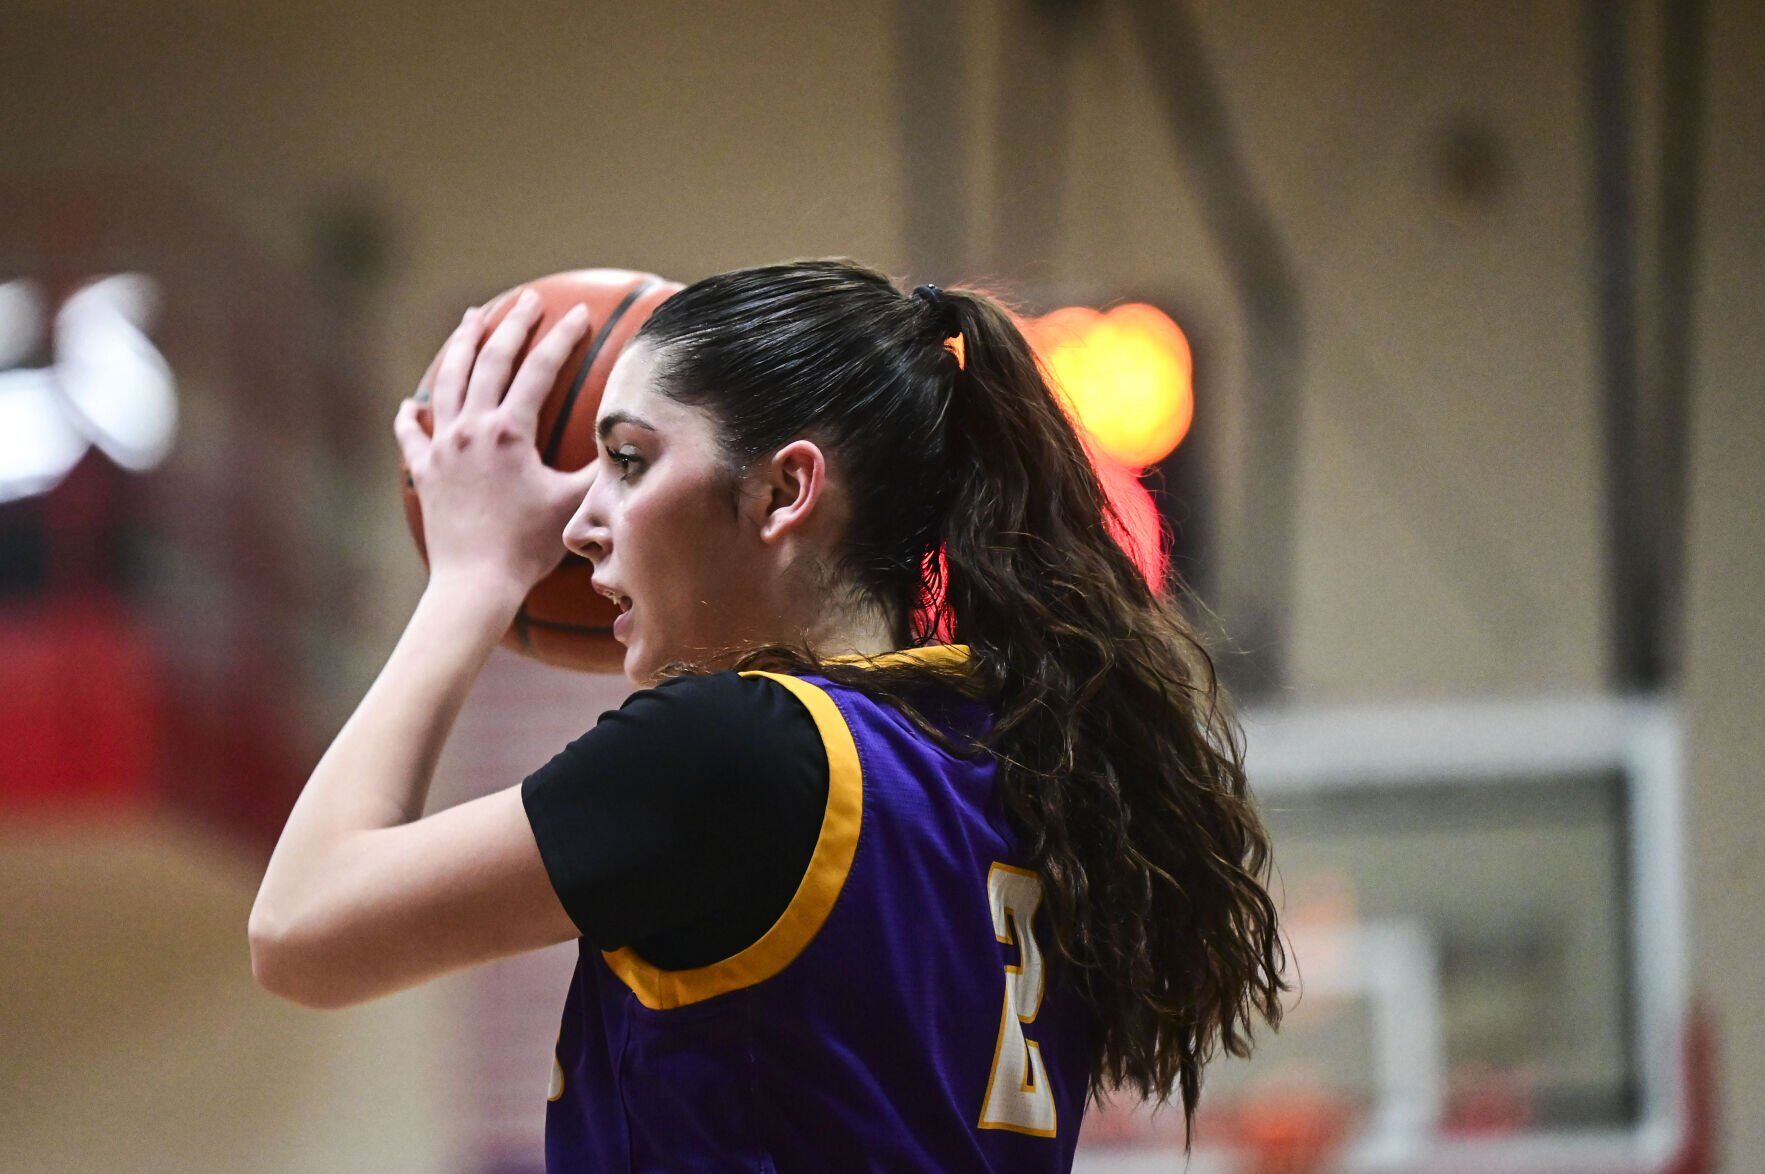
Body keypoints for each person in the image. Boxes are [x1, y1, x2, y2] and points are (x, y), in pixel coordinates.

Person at [249, 258, 1287, 1171]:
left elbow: (300, 930)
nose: (580, 520)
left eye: (630, 460)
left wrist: (469, 581)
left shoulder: (736, 751)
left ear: (785, 490)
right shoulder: (1015, 761)